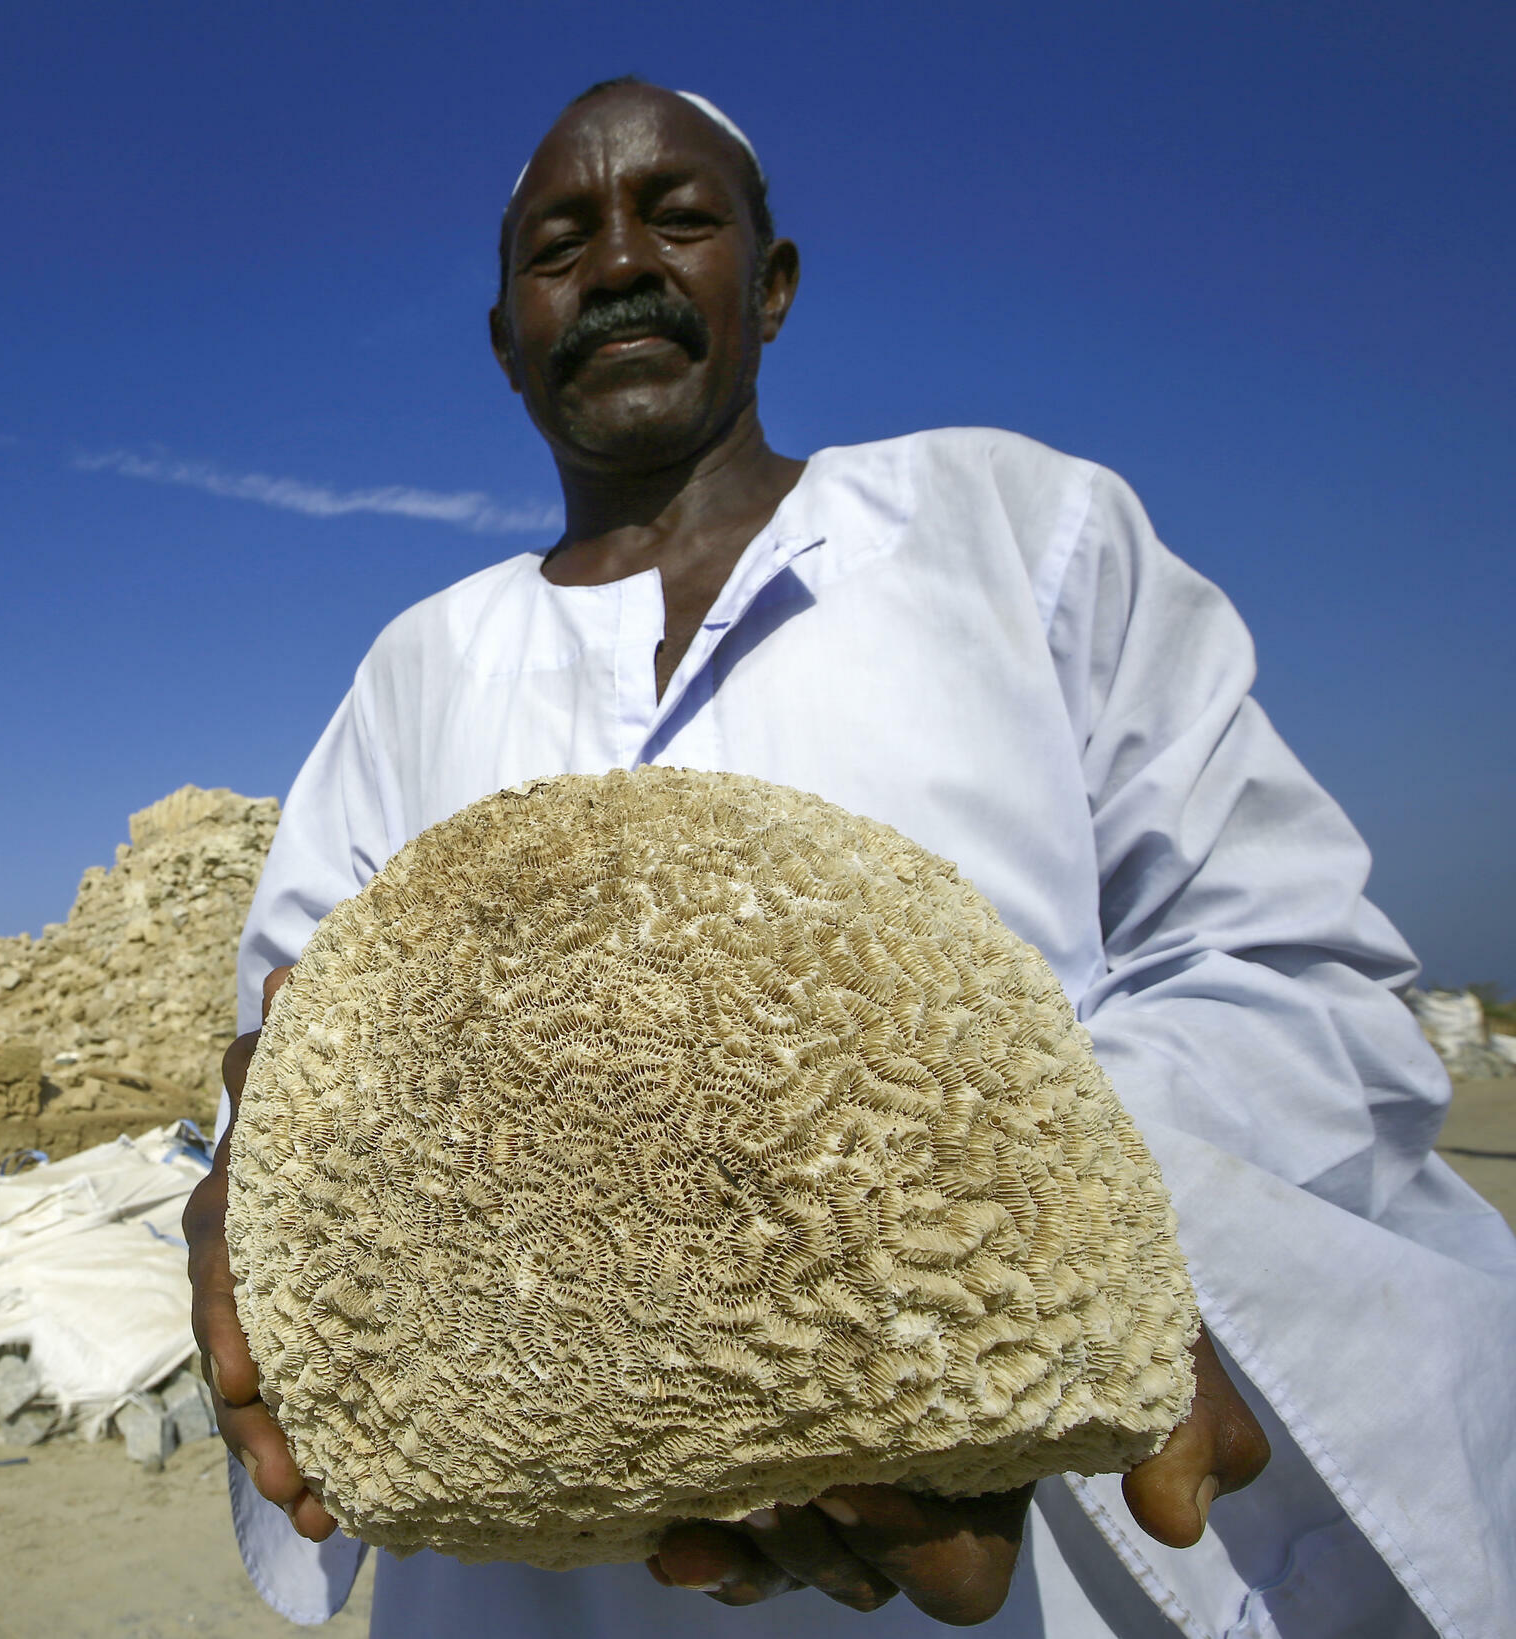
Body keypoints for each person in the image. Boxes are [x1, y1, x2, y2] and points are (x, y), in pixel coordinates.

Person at [183, 78, 1516, 1636]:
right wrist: (244, 1189)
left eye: (678, 217)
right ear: (502, 335)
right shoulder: (415, 674)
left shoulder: (1018, 533)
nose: (619, 261)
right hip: (553, 1576)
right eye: (560, 241)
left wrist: (1021, 1248)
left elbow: (1292, 970)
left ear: (775, 283)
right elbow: (292, 1055)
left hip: (1039, 1541)